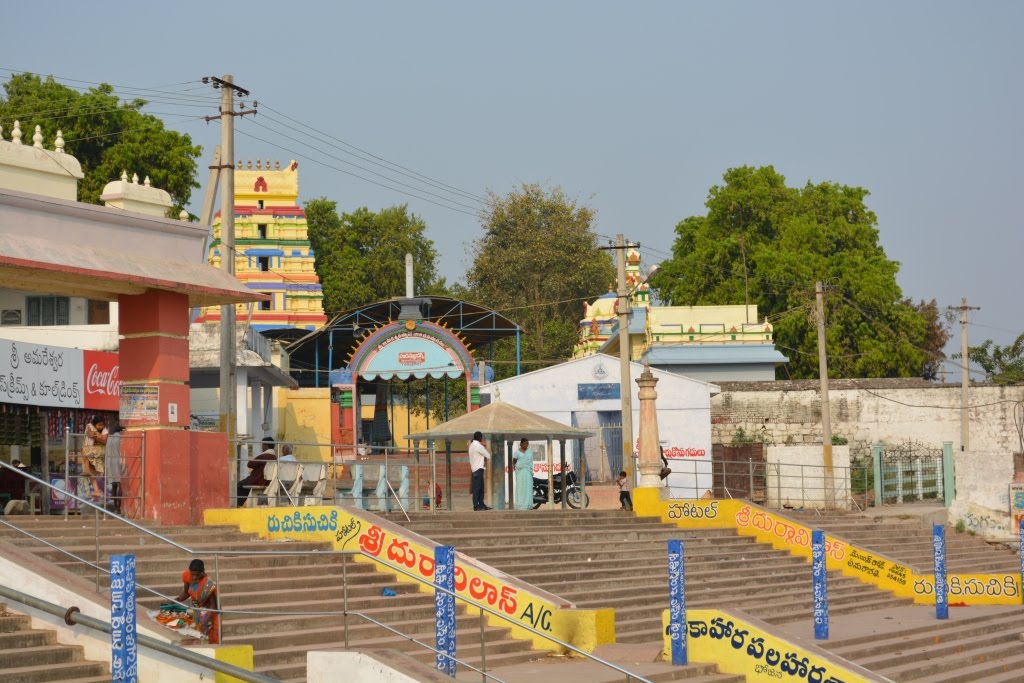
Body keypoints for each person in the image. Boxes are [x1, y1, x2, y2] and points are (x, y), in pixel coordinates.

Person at [174, 559, 219, 644]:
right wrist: (177, 599)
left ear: (203, 572)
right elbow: (186, 592)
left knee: (206, 638)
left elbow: (213, 605)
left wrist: (205, 621)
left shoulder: (208, 584)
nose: (194, 577)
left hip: (208, 613)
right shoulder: (187, 576)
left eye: (197, 575)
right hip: (197, 611)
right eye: (192, 574)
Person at [237, 437, 277, 506]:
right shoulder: (275, 457)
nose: (262, 447)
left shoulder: (263, 456)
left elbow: (249, 464)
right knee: (245, 483)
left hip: (257, 480)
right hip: (267, 482)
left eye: (262, 445)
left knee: (239, 485)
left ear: (266, 445)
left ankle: (238, 505)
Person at [81, 417, 108, 498]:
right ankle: (96, 491)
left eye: (102, 425)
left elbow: (104, 440)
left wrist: (96, 435)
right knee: (91, 471)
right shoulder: (90, 426)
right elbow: (90, 433)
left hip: (100, 451)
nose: (101, 427)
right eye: (99, 425)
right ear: (94, 424)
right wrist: (97, 435)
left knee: (83, 450)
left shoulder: (105, 430)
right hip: (92, 451)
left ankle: (87, 471)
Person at [468, 431, 491, 511]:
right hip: (479, 469)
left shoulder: (471, 446)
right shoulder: (478, 446)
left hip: (474, 469)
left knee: (479, 488)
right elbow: (488, 455)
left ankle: (481, 504)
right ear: (479, 437)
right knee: (478, 488)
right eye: (481, 437)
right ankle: (476, 505)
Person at [106, 426, 124, 513]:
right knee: (120, 484)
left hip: (110, 462)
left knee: (114, 485)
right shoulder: (121, 437)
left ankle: (116, 505)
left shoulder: (109, 438)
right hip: (119, 461)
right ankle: (119, 507)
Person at [513, 438, 535, 510]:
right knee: (521, 488)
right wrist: (517, 467)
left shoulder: (530, 452)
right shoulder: (517, 452)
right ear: (521, 444)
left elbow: (530, 461)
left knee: (528, 488)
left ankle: (528, 505)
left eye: (527, 443)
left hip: (528, 472)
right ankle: (520, 505)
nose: (526, 445)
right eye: (525, 443)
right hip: (520, 472)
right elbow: (514, 461)